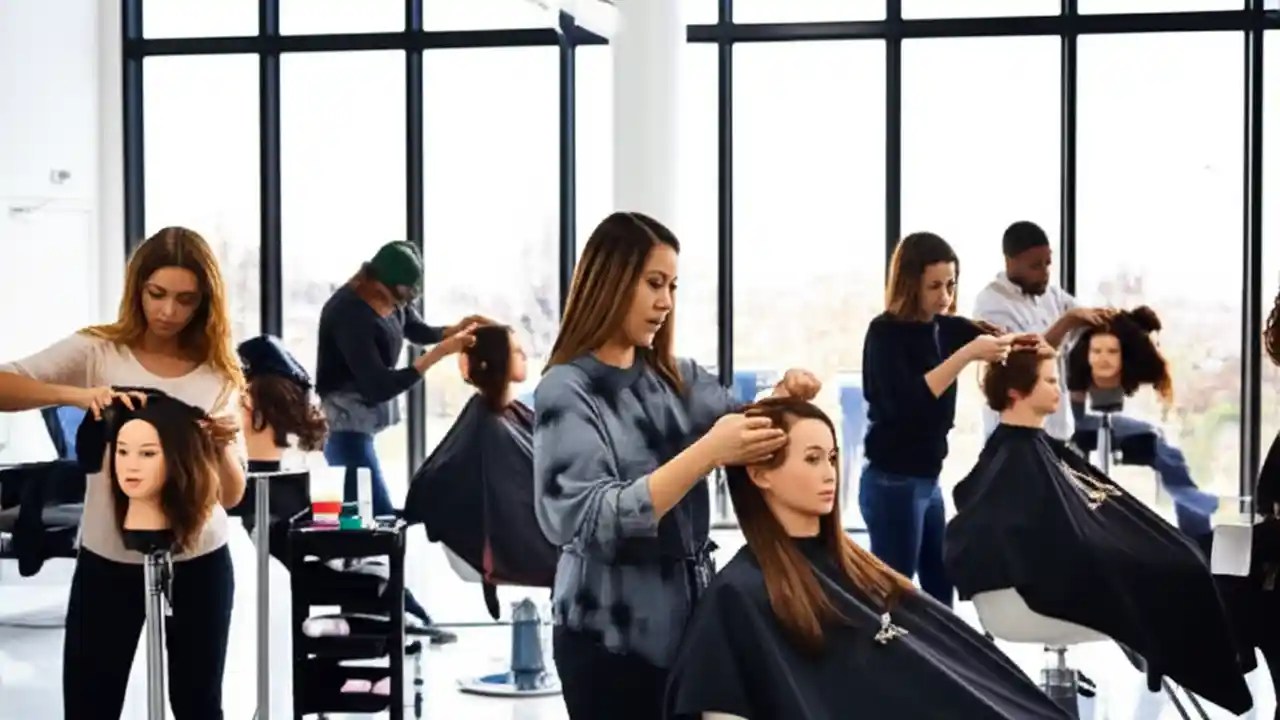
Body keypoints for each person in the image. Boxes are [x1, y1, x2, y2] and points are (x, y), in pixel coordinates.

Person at [533, 211, 821, 719]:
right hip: (607, 643)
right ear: (610, 281)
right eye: (653, 284)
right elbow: (586, 521)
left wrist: (783, 400)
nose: (665, 302)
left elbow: (741, 427)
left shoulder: (676, 378)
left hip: (688, 634)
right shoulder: (567, 391)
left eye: (672, 286)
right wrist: (706, 453)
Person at [664, 397, 1073, 720]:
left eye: (832, 457)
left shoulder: (860, 569)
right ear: (760, 475)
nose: (829, 474)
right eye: (812, 459)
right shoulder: (739, 594)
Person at [0, 226, 246, 719]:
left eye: (185, 300)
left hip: (199, 560)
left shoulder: (217, 371)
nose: (168, 312)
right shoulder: (97, 352)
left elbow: (233, 496)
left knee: (199, 707)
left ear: (204, 304)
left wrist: (219, 446)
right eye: (157, 294)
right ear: (137, 288)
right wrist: (76, 395)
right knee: (91, 706)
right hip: (108, 558)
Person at [944, 347, 1252, 715]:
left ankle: (1218, 657)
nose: (1059, 390)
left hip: (1076, 567)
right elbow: (1040, 535)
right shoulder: (1014, 459)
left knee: (1187, 560)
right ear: (1015, 392)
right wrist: (1126, 553)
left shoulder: (1039, 449)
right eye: (1049, 381)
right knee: (1180, 573)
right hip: (1036, 596)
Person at [314, 240, 483, 643]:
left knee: (363, 530)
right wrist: (440, 354)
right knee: (380, 526)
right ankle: (402, 613)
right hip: (344, 429)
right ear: (374, 282)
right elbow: (377, 386)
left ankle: (378, 616)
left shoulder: (395, 302)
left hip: (363, 427)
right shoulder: (347, 313)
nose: (397, 306)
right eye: (393, 299)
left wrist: (454, 329)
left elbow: (415, 328)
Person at [858, 231, 1023, 606]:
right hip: (892, 481)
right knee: (892, 597)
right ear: (909, 283)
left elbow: (997, 341)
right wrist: (965, 356)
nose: (945, 296)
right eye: (934, 286)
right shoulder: (884, 334)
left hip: (928, 480)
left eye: (950, 284)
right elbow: (904, 404)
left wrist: (1021, 345)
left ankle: (941, 663)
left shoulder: (945, 326)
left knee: (939, 589)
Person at [404, 324, 557, 620]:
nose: (524, 354)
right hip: (522, 541)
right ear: (500, 360)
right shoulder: (491, 426)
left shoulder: (501, 414)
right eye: (515, 350)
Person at [1065, 305, 1219, 536]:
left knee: (1166, 450)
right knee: (1158, 441)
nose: (1104, 359)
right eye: (1097, 352)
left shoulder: (1118, 366)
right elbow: (1076, 419)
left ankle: (1196, 524)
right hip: (1079, 429)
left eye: (1112, 352)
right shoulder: (1085, 364)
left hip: (1098, 428)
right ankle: (1197, 521)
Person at [972, 220, 1114, 441]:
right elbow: (1023, 361)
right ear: (1010, 262)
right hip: (1014, 437)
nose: (1045, 273)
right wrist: (1067, 322)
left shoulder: (1052, 295)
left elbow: (1084, 317)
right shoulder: (991, 303)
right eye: (1035, 266)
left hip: (1056, 430)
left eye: (1048, 263)